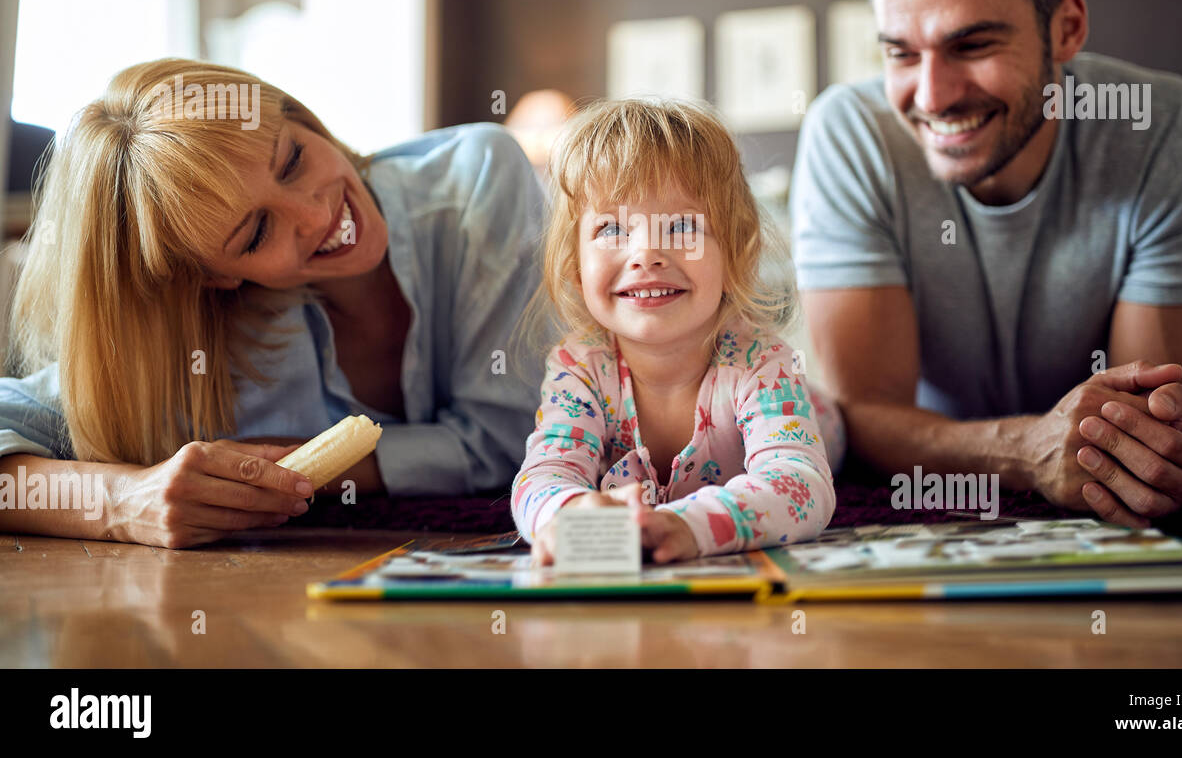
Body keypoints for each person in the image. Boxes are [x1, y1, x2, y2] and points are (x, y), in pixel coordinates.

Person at [790, 0, 1182, 529]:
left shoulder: (1167, 127)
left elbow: (1166, 414)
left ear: (1067, 29)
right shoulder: (848, 133)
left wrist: (1163, 448)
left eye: (971, 45)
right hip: (933, 497)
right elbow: (867, 415)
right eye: (901, 53)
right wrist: (1026, 450)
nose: (931, 96)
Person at [0, 58, 552, 548]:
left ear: (300, 118)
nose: (317, 215)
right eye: (257, 233)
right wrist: (124, 501)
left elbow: (509, 441)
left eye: (292, 160)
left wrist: (284, 466)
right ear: (212, 279)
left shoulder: (478, 179)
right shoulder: (195, 344)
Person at [511, 98, 844, 565]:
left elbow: (800, 484)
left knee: (839, 423)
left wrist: (689, 524)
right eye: (612, 229)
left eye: (683, 226)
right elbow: (543, 474)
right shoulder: (579, 368)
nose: (646, 253)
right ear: (574, 266)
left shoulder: (764, 364)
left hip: (820, 418)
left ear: (735, 255)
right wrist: (570, 511)